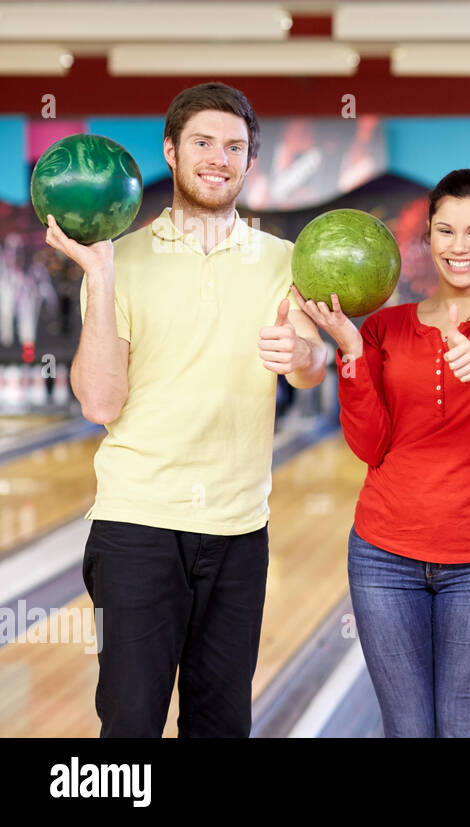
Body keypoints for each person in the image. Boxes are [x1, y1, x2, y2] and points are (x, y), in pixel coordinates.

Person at [48, 82, 329, 737]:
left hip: (239, 527)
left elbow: (311, 372)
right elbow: (99, 401)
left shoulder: (282, 262)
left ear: (250, 162)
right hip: (137, 524)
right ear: (171, 152)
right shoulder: (120, 259)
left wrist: (305, 355)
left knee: (221, 721)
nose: (218, 157)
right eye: (202, 141)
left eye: (234, 146)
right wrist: (100, 278)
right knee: (130, 722)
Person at [296, 168, 470, 738]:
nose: (459, 247)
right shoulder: (385, 328)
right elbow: (369, 445)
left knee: (462, 726)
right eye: (445, 231)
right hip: (384, 556)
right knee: (406, 728)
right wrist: (350, 348)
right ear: (428, 236)